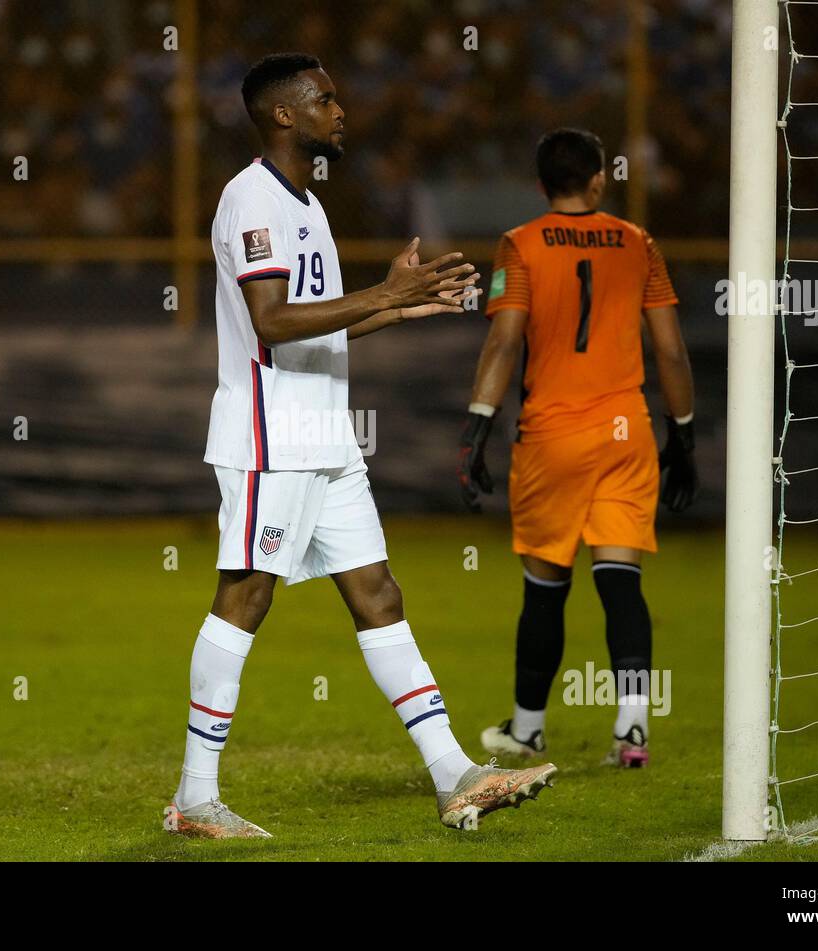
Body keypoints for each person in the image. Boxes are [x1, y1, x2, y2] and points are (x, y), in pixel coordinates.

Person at [167, 53, 556, 838]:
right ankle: (195, 799)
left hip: (326, 435)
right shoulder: (252, 200)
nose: (339, 111)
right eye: (324, 98)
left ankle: (455, 775)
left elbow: (320, 314)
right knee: (244, 599)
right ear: (283, 115)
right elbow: (273, 324)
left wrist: (396, 310)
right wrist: (386, 293)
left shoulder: (306, 203)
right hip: (272, 435)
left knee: (378, 594)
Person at [458, 128, 697, 769]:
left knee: (545, 589)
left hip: (555, 434)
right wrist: (686, 433)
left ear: (540, 185)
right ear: (598, 179)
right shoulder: (637, 243)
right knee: (621, 584)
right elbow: (670, 349)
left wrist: (478, 426)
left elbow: (505, 343)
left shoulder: (520, 243)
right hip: (626, 429)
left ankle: (529, 730)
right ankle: (633, 729)